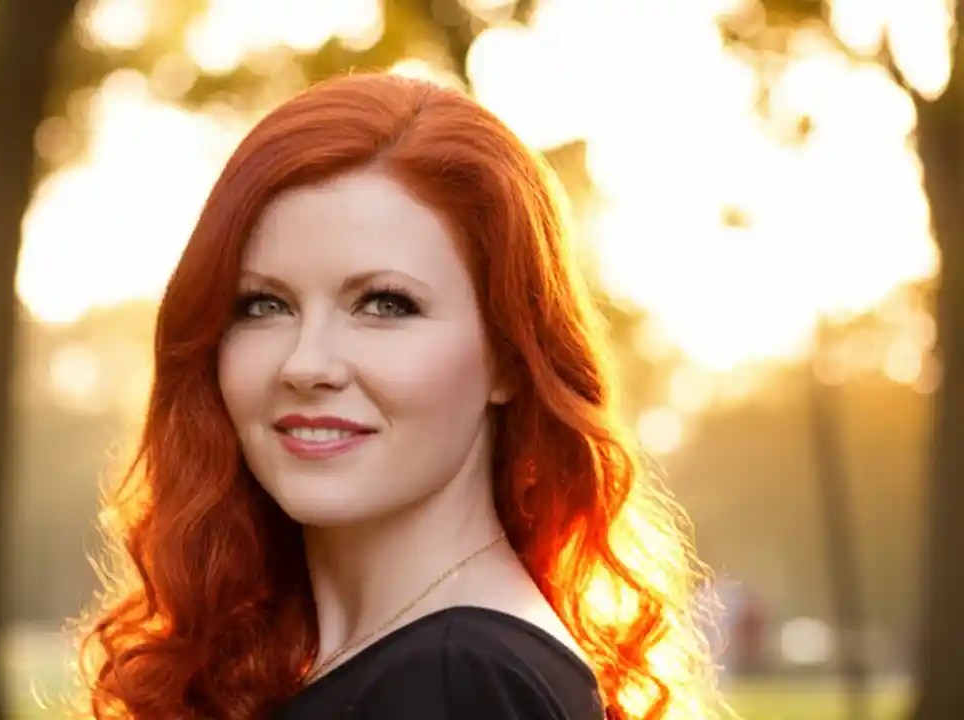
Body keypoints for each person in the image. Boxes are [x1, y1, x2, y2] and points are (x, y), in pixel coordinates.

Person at [79, 72, 724, 719]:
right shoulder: (390, 661)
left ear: (509, 357)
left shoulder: (452, 680)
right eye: (263, 304)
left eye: (385, 304)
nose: (306, 364)